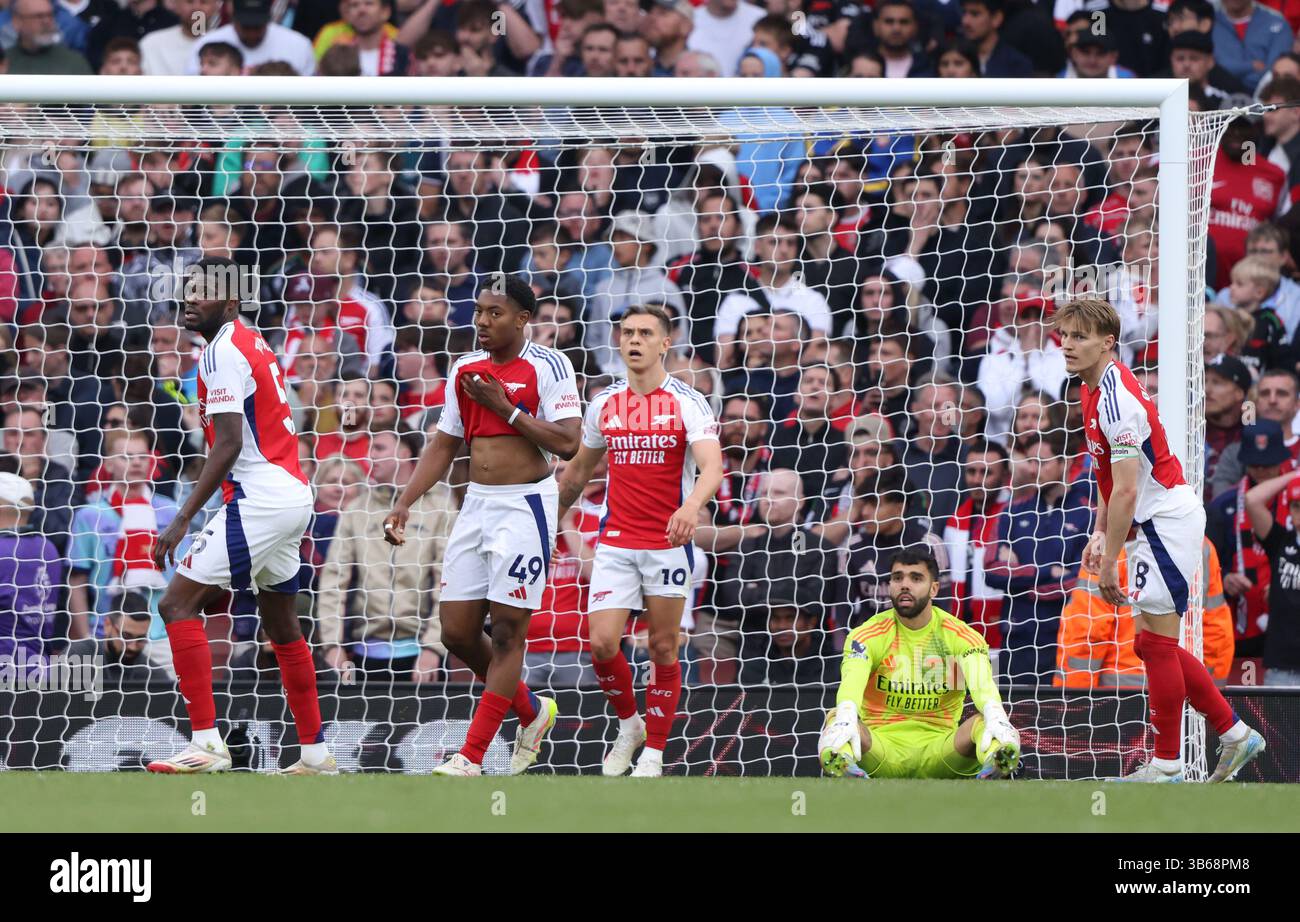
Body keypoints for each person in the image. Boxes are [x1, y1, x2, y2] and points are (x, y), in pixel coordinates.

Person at [383, 274, 582, 777]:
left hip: (525, 506)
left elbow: (568, 444)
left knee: (510, 633)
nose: (483, 322)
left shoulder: (550, 365)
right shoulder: (464, 368)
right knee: (456, 632)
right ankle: (532, 712)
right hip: (475, 505)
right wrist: (405, 501)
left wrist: (507, 409)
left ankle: (471, 756)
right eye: (479, 312)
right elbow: (445, 444)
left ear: (522, 319)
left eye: (495, 313)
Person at [1058, 297, 1264, 782]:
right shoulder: (1092, 389)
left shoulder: (1116, 402)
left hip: (1165, 522)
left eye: (1079, 337)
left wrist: (1111, 560)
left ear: (1108, 343)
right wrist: (1097, 530)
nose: (1067, 345)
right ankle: (1232, 733)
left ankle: (1170, 763)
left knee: (1155, 644)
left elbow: (1129, 487)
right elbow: (1111, 476)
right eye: (1065, 335)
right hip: (1153, 521)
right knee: (1152, 644)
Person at [145, 258, 332, 776]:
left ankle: (206, 745)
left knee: (176, 603)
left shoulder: (221, 352)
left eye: (201, 292)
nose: (189, 299)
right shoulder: (251, 341)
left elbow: (227, 442)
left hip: (261, 498)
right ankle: (316, 755)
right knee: (280, 620)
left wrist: (183, 518)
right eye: (187, 290)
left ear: (230, 302)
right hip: (292, 493)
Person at [556, 304, 724, 777]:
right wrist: (547, 520)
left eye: (646, 333)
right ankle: (629, 725)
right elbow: (578, 473)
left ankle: (653, 750)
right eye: (627, 332)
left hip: (668, 544)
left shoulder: (687, 401)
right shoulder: (604, 403)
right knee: (604, 644)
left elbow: (712, 466)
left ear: (665, 343)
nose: (634, 340)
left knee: (663, 648)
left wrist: (691, 507)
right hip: (616, 542)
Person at [817, 548, 1022, 780]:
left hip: (942, 752)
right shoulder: (866, 635)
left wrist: (996, 715)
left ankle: (999, 760)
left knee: (985, 720)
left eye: (916, 578)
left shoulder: (961, 636)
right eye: (897, 578)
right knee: (838, 716)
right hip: (880, 749)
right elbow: (851, 684)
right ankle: (842, 764)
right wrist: (846, 714)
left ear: (934, 588)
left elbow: (982, 685)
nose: (905, 585)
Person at [1244, 469, 1300, 684]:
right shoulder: (1281, 542)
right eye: (1296, 506)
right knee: (1280, 720)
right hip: (1281, 667)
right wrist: (1294, 476)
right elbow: (1252, 499)